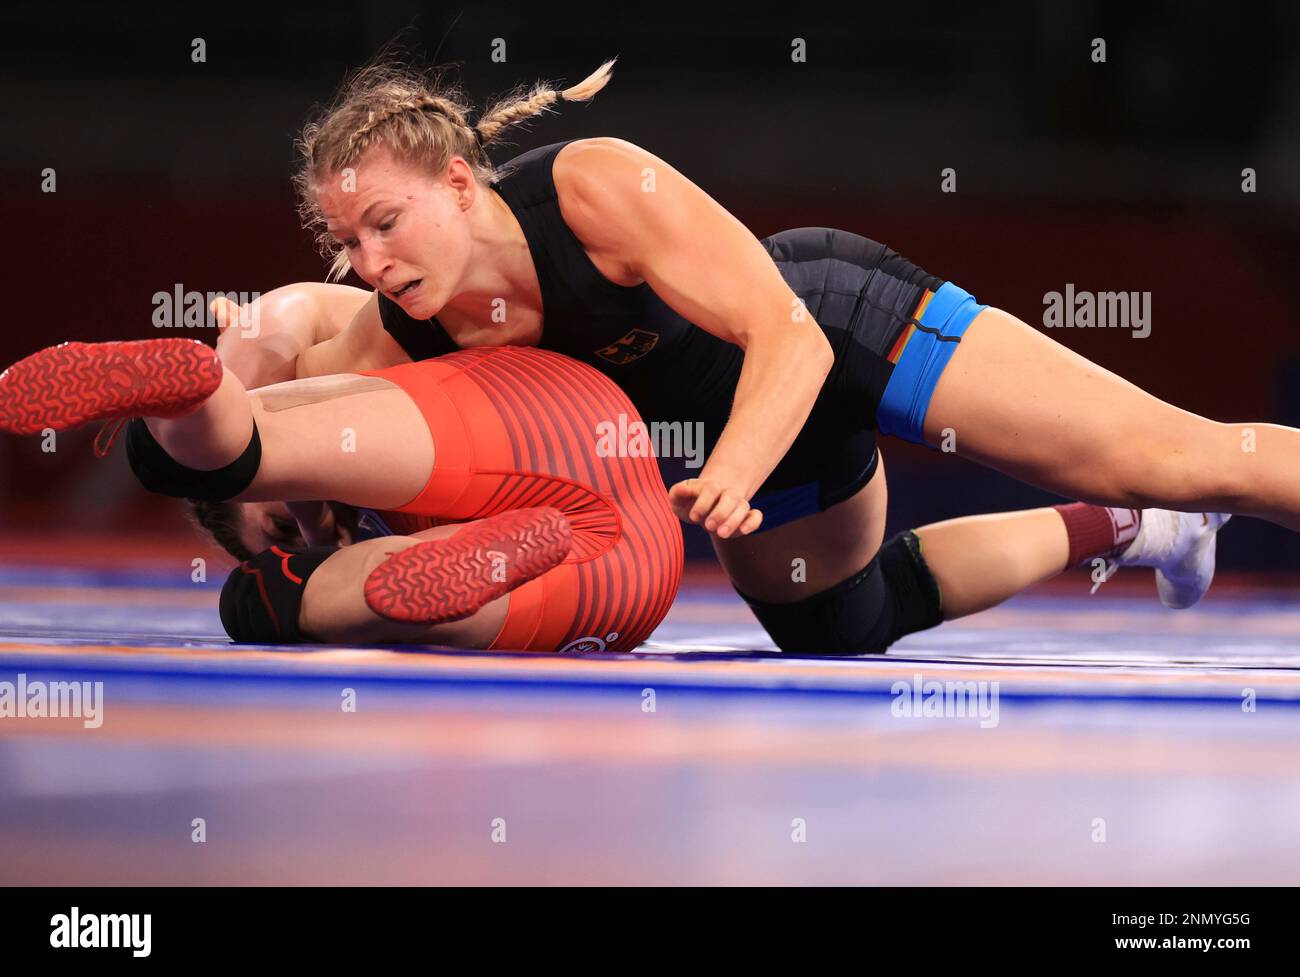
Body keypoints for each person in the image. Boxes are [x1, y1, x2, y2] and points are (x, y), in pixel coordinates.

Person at [207, 56, 1250, 653]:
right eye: (346, 243)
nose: (371, 260)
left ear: (461, 184)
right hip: (739, 441)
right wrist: (273, 509)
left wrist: (734, 472)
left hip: (837, 326)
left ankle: (1153, 491)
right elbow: (302, 428)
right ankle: (1127, 528)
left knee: (1179, 449)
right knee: (841, 620)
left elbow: (785, 335)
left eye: (385, 224)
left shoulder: (590, 185)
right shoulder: (389, 328)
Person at [0, 338, 682, 653]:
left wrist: (246, 351)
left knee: (264, 594)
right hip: (595, 498)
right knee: (401, 582)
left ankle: (191, 409)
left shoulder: (327, 340)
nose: (310, 522)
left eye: (282, 519)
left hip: (557, 461)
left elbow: (283, 325)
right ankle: (183, 427)